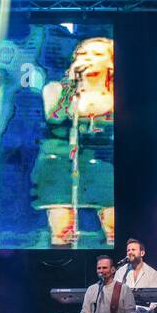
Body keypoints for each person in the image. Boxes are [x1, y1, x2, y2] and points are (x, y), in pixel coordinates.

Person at [32, 37, 115, 246]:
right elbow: (54, 116)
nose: (88, 59)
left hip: (105, 162)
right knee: (62, 230)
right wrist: (75, 84)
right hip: (59, 162)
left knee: (115, 228)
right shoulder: (55, 89)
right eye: (83, 54)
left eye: (97, 54)